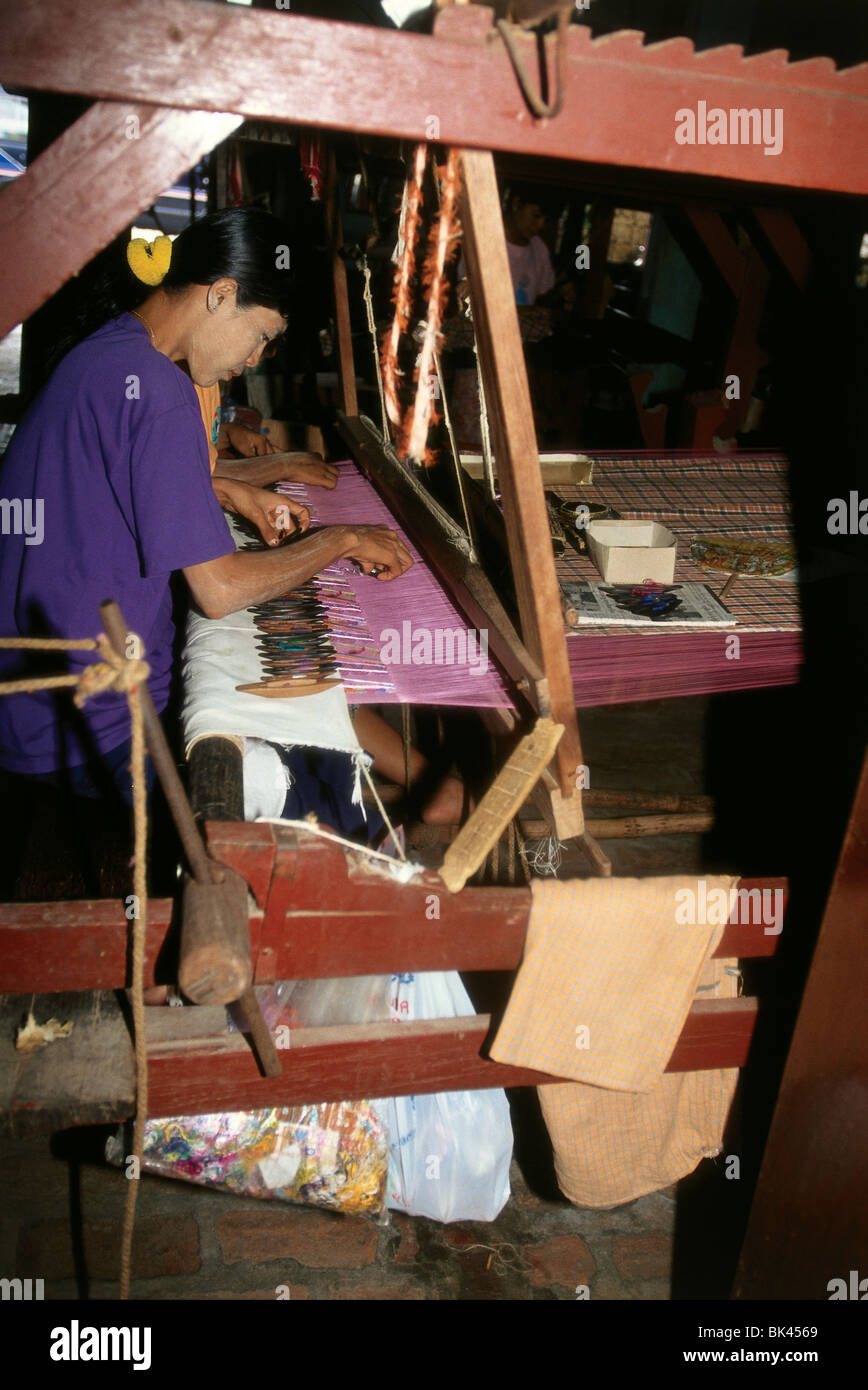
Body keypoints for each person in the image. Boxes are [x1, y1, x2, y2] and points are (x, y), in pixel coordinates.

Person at [0, 206, 412, 807]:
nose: (253, 359)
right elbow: (216, 591)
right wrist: (339, 541)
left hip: (33, 705)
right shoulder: (156, 388)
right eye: (262, 336)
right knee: (314, 790)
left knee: (306, 719)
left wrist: (230, 486)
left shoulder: (115, 351)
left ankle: (406, 796)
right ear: (222, 294)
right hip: (92, 725)